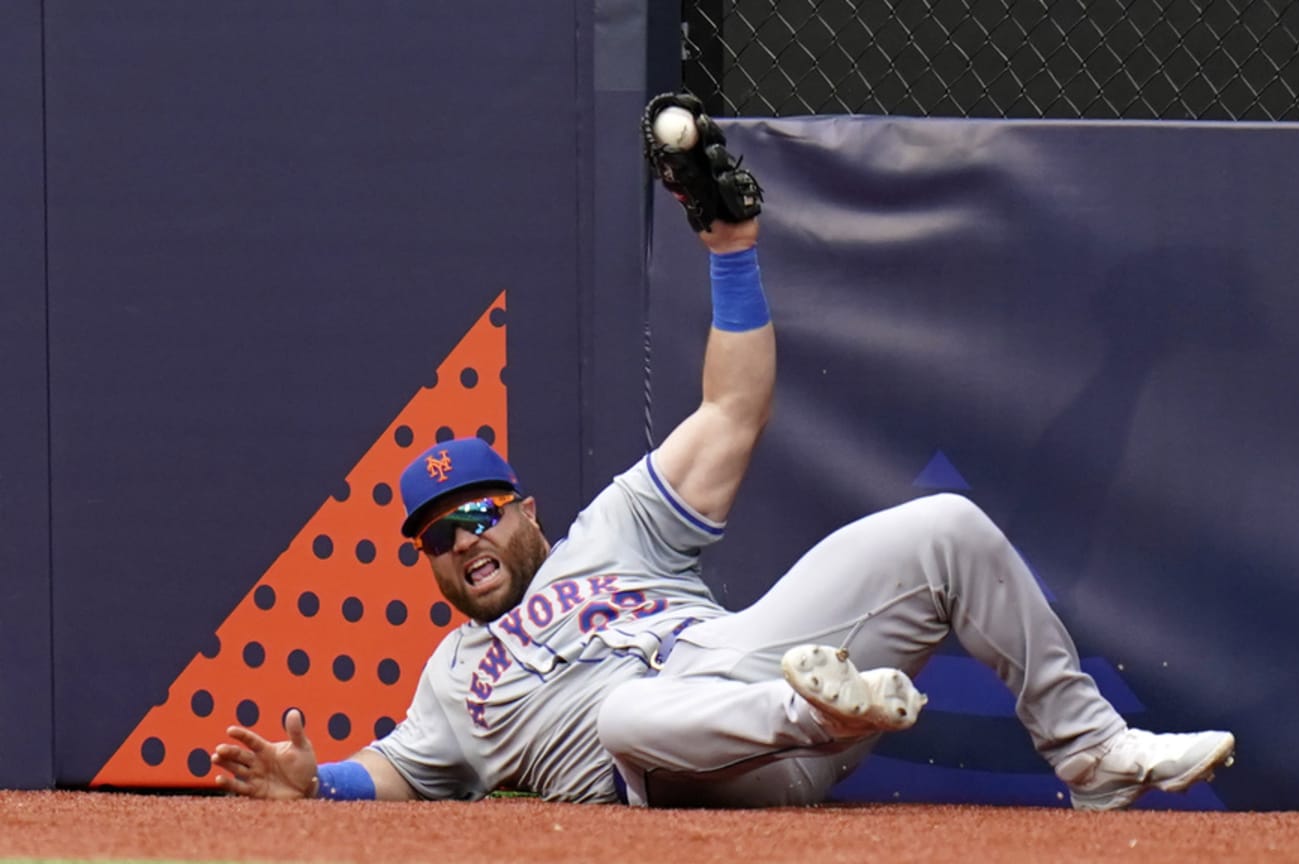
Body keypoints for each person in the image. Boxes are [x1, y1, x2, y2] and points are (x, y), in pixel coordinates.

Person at [212, 94, 1234, 810]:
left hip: (754, 667)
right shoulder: (455, 681)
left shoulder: (613, 532)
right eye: (436, 537)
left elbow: (733, 410)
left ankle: (1092, 753)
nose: (461, 544)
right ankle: (813, 704)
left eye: (477, 515)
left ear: (526, 510)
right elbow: (394, 772)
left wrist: (732, 254)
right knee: (623, 717)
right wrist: (317, 781)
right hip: (691, 761)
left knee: (946, 528)